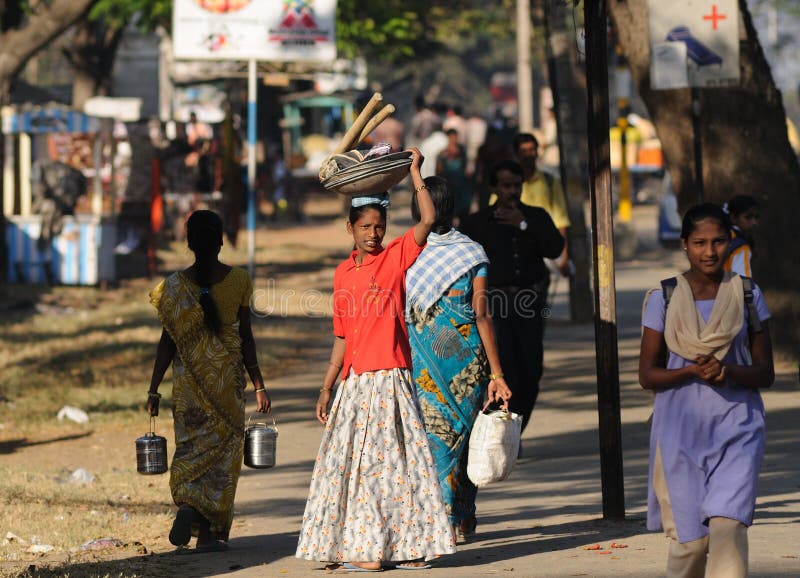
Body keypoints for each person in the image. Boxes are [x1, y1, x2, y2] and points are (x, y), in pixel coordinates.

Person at [296, 149, 456, 572]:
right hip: (354, 384)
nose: (373, 234)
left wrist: (415, 173)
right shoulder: (342, 274)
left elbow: (427, 219)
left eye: (379, 226)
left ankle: (394, 548)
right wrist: (327, 386)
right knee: (352, 469)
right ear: (349, 228)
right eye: (365, 227)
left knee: (394, 468)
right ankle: (362, 546)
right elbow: (342, 335)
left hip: (390, 379)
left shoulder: (395, 257)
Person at [639, 203, 774, 578]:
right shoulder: (663, 297)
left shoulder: (747, 293)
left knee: (729, 526)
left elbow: (765, 372)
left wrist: (727, 370)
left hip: (738, 427)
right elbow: (648, 375)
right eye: (700, 242)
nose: (710, 251)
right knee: (692, 544)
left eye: (718, 241)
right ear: (685, 244)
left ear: (730, 241)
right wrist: (691, 371)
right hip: (679, 432)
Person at [146, 210, 271, 552]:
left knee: (191, 448)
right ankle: (209, 533)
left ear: (188, 242)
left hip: (189, 387)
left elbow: (166, 343)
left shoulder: (172, 288)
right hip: (227, 384)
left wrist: (153, 389)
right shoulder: (239, 280)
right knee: (224, 455)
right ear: (220, 241)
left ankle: (188, 503)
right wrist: (259, 384)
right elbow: (246, 338)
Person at [405, 175, 512, 543]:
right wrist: (496, 373)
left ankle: (444, 521)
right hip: (467, 365)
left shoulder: (409, 254)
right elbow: (482, 315)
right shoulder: (472, 252)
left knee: (436, 442)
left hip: (423, 364)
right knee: (462, 440)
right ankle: (461, 515)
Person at [460, 160, 564, 435]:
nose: (512, 192)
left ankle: (516, 430)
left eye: (517, 186)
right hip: (494, 307)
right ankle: (503, 432)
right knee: (503, 369)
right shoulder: (478, 223)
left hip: (529, 305)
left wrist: (524, 225)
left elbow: (555, 248)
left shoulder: (536, 216)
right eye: (506, 186)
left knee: (531, 371)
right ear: (494, 188)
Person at [436, 129, 472, 222]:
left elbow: (466, 169)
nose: (453, 139)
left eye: (455, 137)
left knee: (463, 212)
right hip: (448, 186)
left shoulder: (462, 152)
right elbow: (439, 171)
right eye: (451, 137)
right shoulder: (442, 154)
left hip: (460, 186)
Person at [723, 195, 760, 277]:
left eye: (756, 217)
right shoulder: (740, 247)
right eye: (748, 217)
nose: (754, 222)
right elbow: (743, 280)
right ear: (733, 218)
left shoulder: (723, 237)